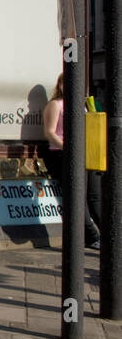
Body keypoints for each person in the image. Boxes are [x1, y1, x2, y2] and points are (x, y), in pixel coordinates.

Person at [42, 72, 102, 249]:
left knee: (95, 196)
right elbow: (49, 132)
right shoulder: (56, 104)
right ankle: (91, 235)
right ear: (59, 85)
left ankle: (108, 234)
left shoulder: (83, 105)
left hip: (85, 153)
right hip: (64, 154)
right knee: (78, 196)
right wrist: (67, 148)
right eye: (64, 83)